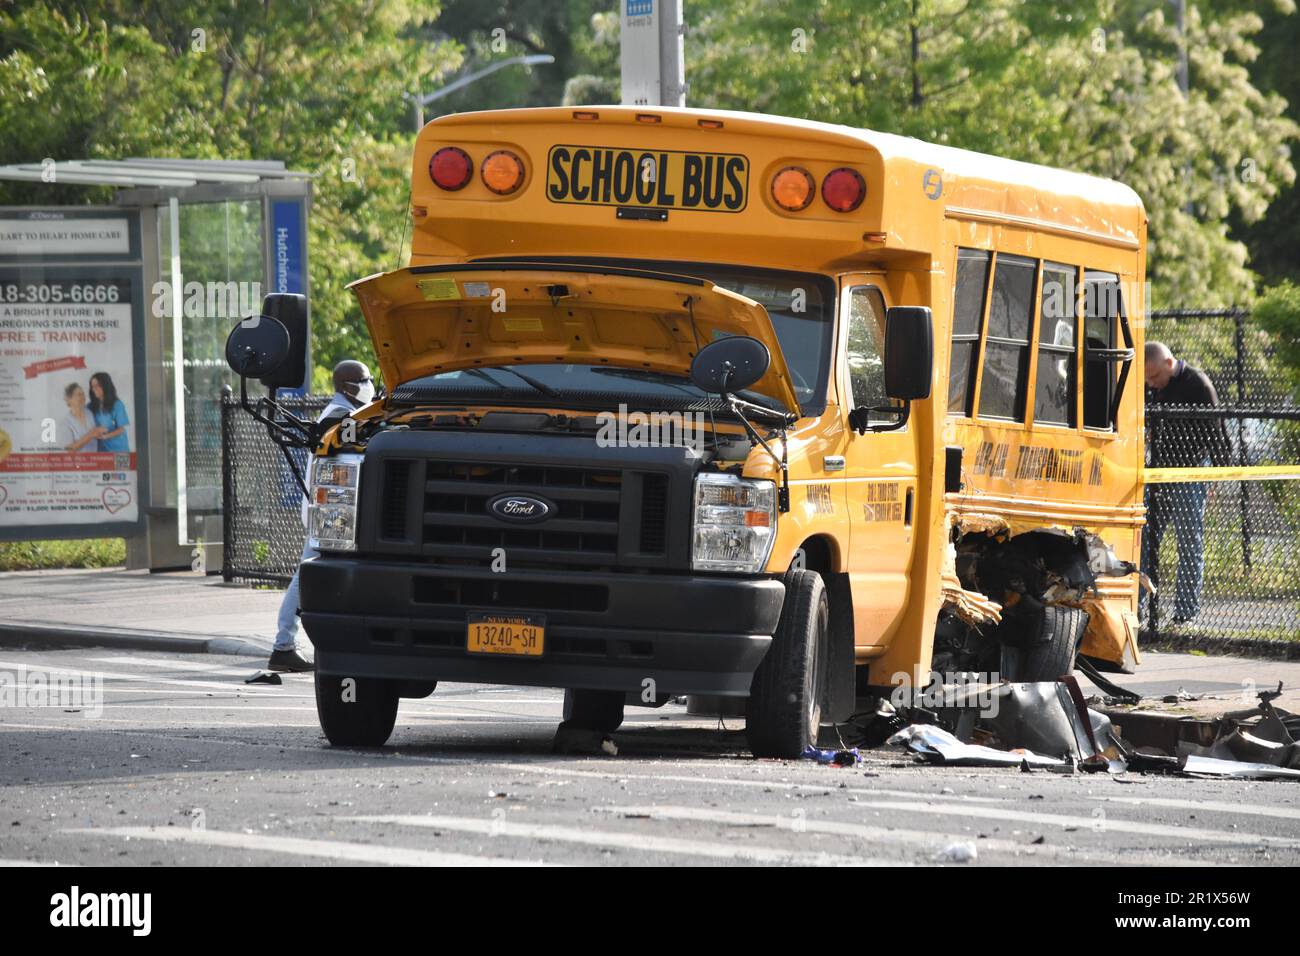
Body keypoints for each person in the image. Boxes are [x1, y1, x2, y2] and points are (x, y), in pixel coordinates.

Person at [269, 359, 376, 672]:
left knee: (311, 574)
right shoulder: (340, 417)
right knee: (307, 576)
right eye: (364, 379)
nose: (369, 384)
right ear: (347, 385)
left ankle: (287, 644)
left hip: (332, 508)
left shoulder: (344, 414)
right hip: (331, 511)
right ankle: (283, 645)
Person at [1142, 342, 1230, 625]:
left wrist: (1218, 474)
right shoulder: (1153, 387)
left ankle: (1185, 614)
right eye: (1147, 379)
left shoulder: (1198, 384)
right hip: (1158, 472)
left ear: (1169, 363)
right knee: (1145, 540)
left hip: (1191, 471)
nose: (1151, 384)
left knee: (1189, 540)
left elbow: (1218, 433)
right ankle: (1139, 608)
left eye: (1154, 376)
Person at [88, 372, 130, 453]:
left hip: (119, 449)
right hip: (101, 450)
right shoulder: (90, 406)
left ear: (105, 385)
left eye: (97, 386)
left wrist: (105, 436)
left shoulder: (117, 405)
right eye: (92, 387)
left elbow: (121, 429)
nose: (94, 389)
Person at [62, 382, 100, 452]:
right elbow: (69, 450)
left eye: (83, 394)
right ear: (70, 399)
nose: (83, 396)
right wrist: (91, 435)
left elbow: (95, 435)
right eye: (79, 394)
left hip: (94, 459)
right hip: (79, 461)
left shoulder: (89, 413)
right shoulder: (66, 422)